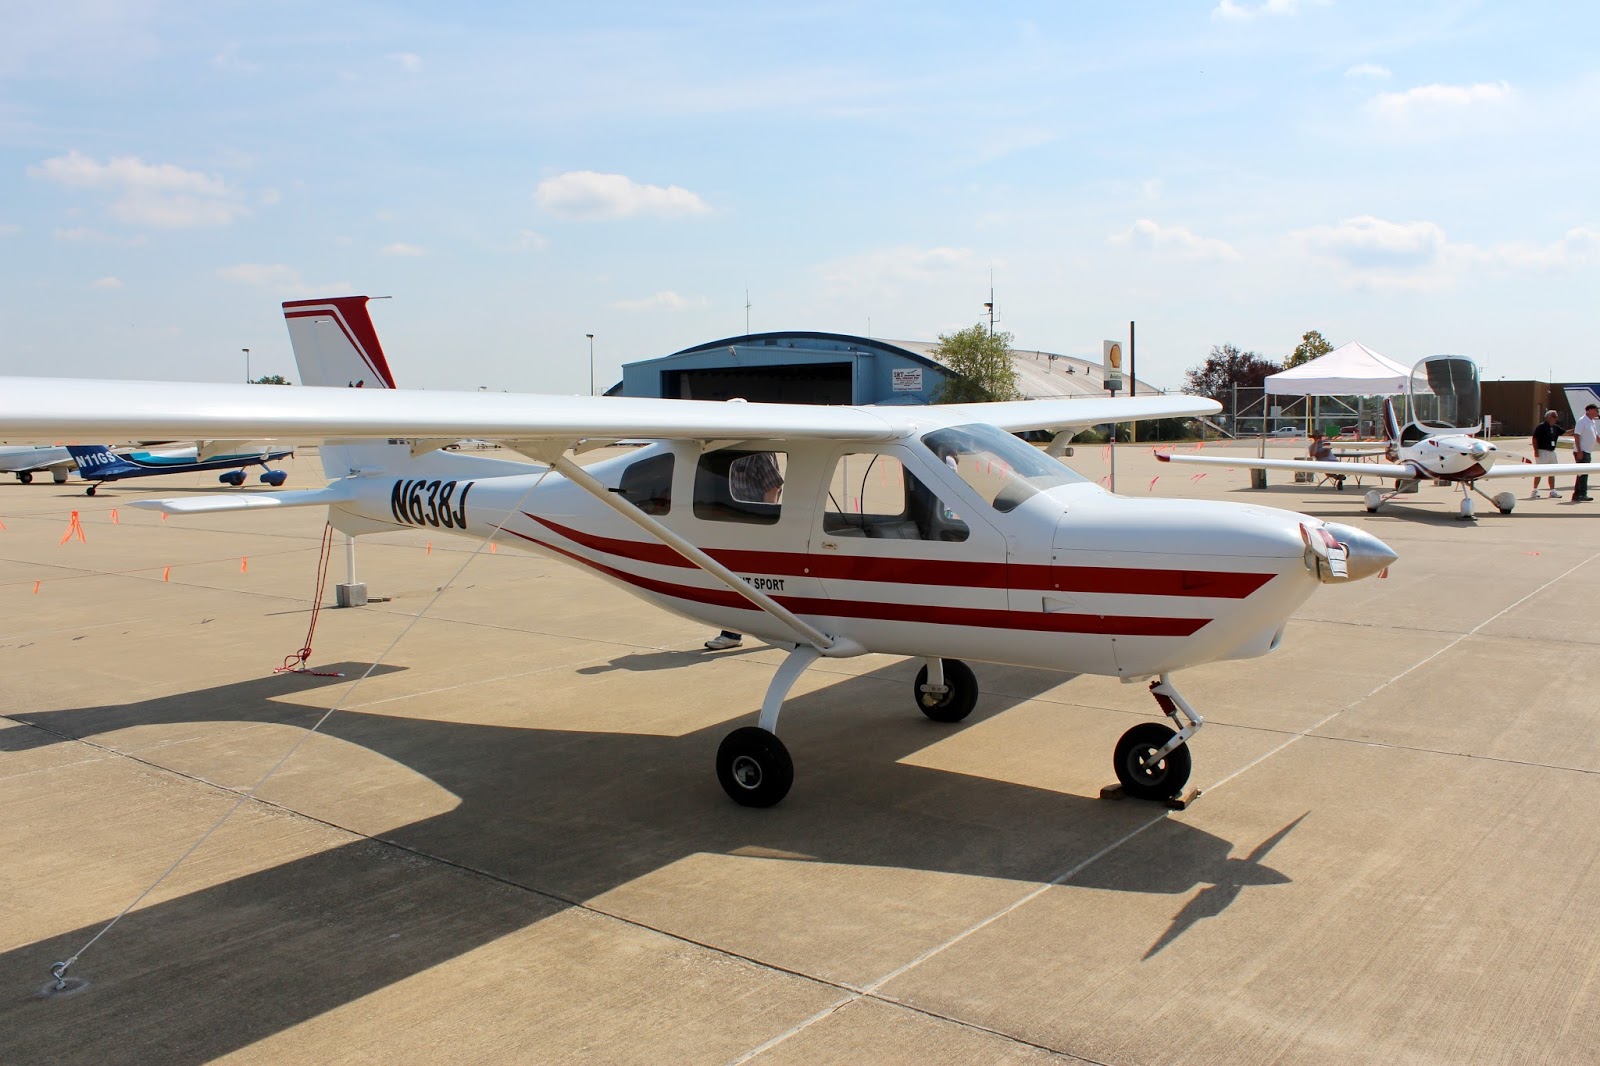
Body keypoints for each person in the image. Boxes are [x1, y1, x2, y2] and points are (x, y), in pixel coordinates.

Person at [704, 452, 783, 650]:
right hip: (734, 523)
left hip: (752, 525)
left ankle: (732, 633)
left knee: (743, 581)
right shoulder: (732, 447)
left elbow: (773, 486)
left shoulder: (759, 450)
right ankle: (732, 632)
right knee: (734, 581)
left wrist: (765, 523)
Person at [1530, 409, 1564, 499]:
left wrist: (1576, 430)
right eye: (1554, 416)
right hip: (1542, 451)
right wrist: (1536, 451)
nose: (1556, 418)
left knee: (1552, 471)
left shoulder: (1555, 427)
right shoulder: (1541, 427)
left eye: (1556, 417)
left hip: (1552, 452)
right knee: (1539, 471)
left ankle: (1552, 491)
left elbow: (1565, 433)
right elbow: (1534, 439)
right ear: (1549, 417)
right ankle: (1534, 490)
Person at [1573, 403, 1599, 503]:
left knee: (1584, 473)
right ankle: (1580, 494)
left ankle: (1579, 494)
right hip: (1582, 452)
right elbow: (1576, 435)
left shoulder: (1592, 422)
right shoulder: (1582, 421)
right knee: (1582, 474)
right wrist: (1579, 451)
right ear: (1589, 410)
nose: (1597, 412)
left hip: (1587, 451)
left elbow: (1596, 436)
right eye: (1596, 410)